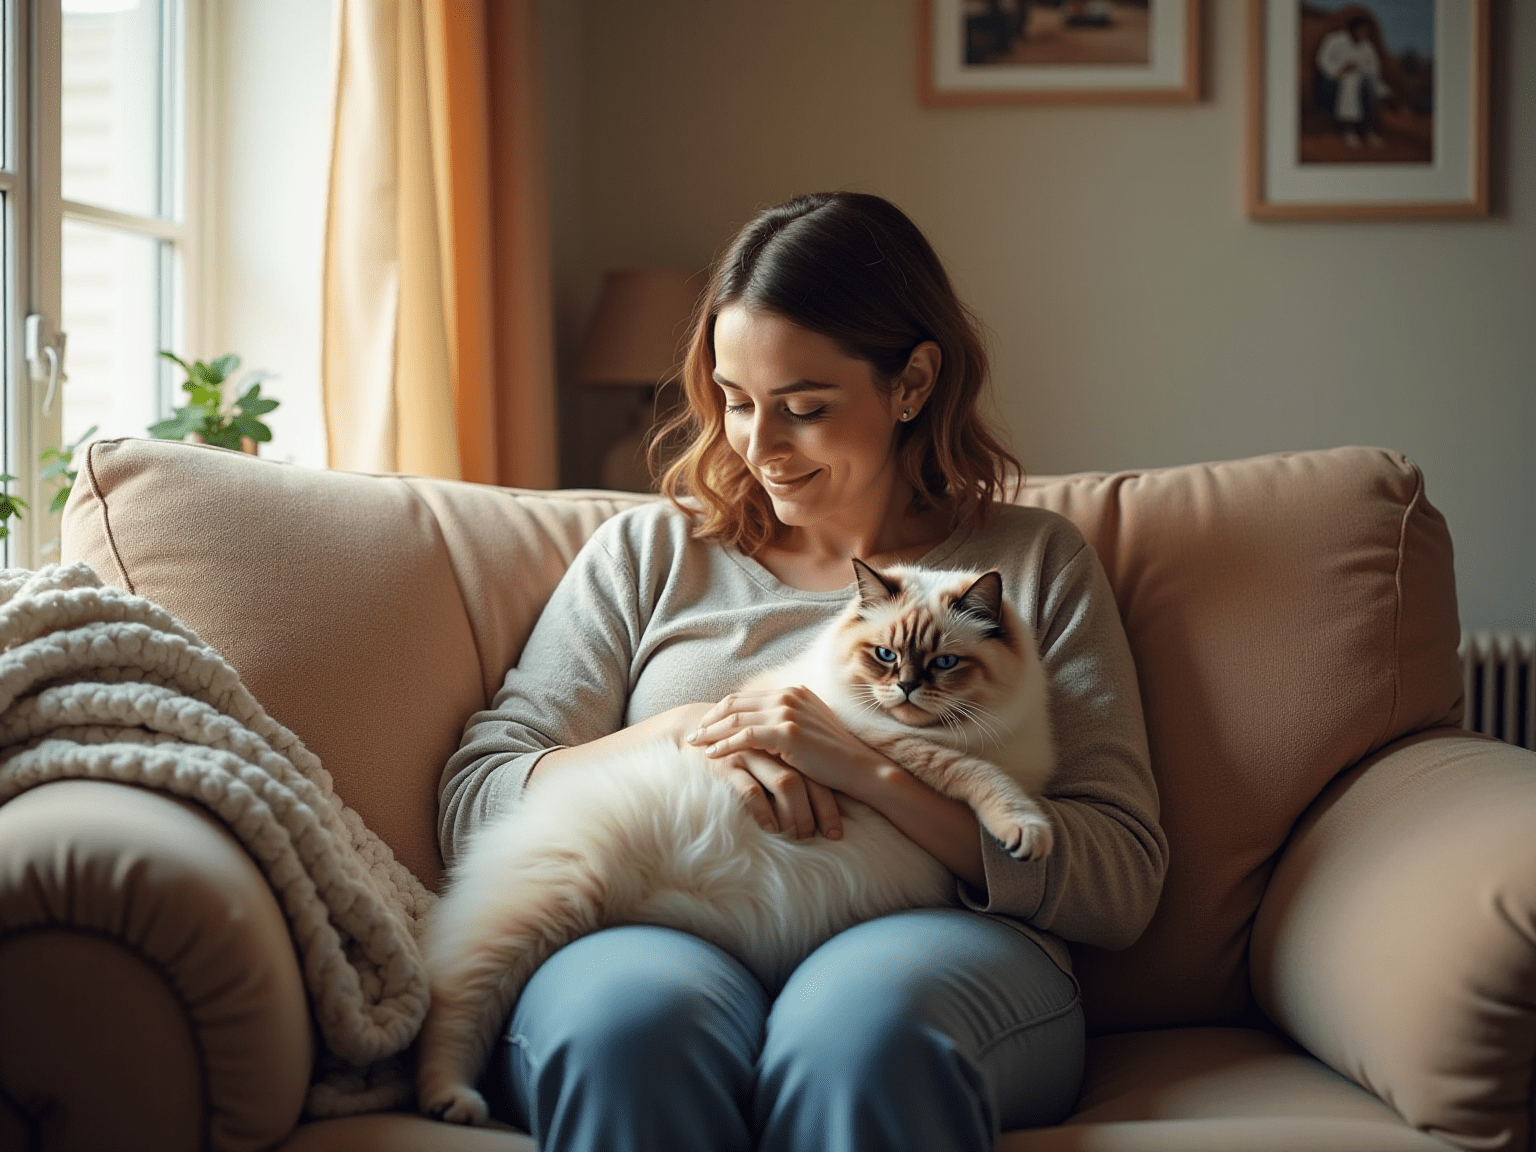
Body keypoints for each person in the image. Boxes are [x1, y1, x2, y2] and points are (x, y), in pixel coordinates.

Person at [438, 191, 1168, 1152]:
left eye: (804, 409)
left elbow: (1120, 876)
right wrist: (680, 733)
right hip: (671, 922)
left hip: (927, 948)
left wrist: (866, 772)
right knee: (628, 1032)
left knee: (863, 1038)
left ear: (912, 383)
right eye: (736, 402)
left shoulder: (1028, 568)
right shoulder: (649, 556)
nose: (759, 446)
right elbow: (479, 797)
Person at [1314, 14, 1392, 149]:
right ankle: (1349, 130)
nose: (1364, 34)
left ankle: (1368, 131)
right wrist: (1339, 71)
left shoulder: (1367, 46)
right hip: (1334, 80)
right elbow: (1322, 60)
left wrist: (1358, 69)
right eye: (1361, 30)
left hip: (1360, 79)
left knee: (1367, 86)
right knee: (1351, 84)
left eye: (1366, 31)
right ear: (1352, 29)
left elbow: (1374, 68)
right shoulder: (1334, 39)